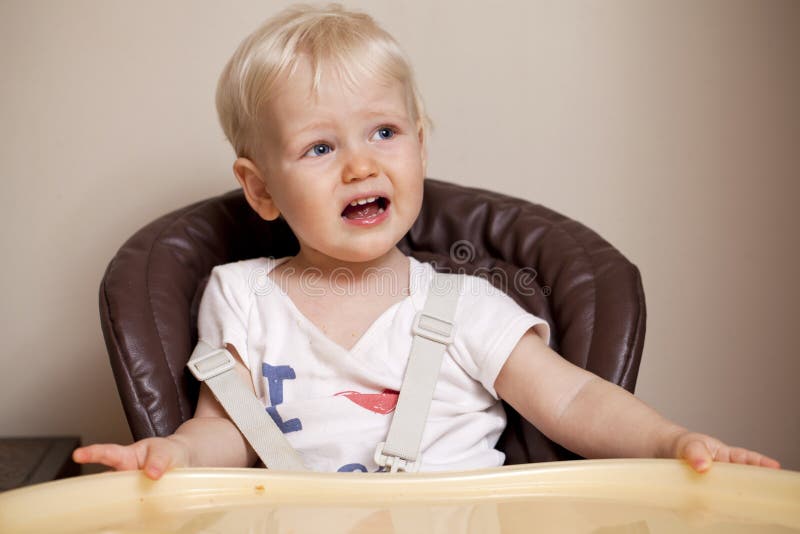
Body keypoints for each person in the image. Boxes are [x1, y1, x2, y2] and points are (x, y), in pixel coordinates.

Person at [73, 4, 780, 480]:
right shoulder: (241, 295)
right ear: (260, 190)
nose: (361, 164)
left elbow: (571, 403)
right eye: (320, 147)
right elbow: (224, 430)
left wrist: (667, 443)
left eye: (384, 132)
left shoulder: (465, 304)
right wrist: (167, 456)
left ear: (419, 144)